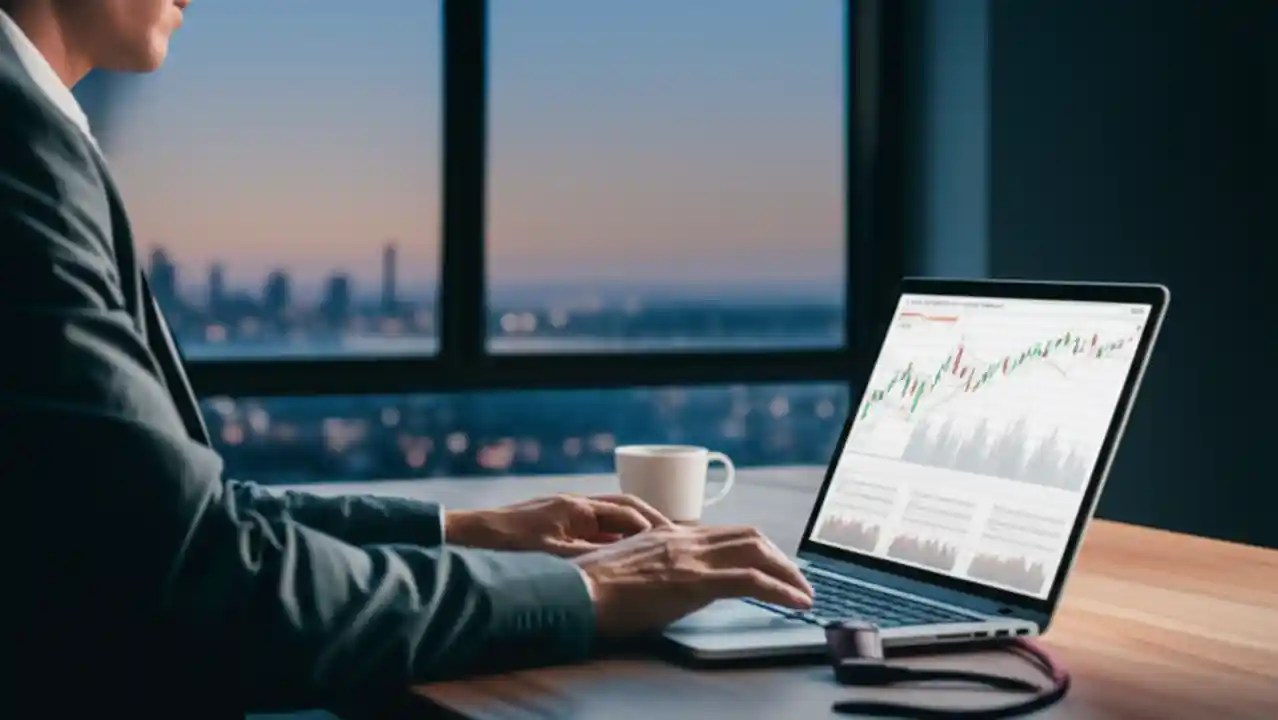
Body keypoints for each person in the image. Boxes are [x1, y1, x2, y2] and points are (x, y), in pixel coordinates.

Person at [0, 1, 814, 718]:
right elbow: (202, 573)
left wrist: (465, 530)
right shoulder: (17, 145)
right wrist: (594, 589)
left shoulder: (34, 125)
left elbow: (170, 519)